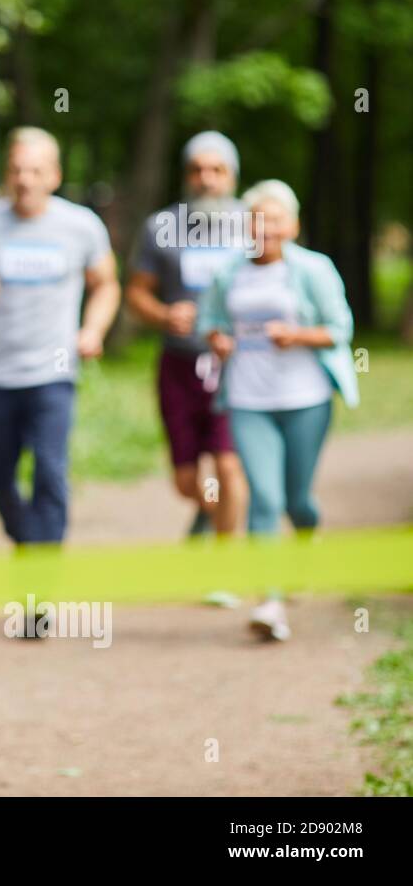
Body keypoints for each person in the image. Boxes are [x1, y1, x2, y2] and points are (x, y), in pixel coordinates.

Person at [197, 179, 359, 641]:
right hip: (248, 400)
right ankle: (269, 601)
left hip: (306, 399)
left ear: (293, 225)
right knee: (264, 498)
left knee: (296, 500)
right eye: (257, 221)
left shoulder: (313, 269)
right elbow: (209, 321)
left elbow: (340, 328)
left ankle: (306, 537)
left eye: (274, 221)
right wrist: (218, 339)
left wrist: (297, 336)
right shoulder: (229, 273)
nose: (265, 229)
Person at [0, 127, 120, 548]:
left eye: (35, 170)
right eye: (17, 170)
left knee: (50, 469)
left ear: (55, 176)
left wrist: (93, 330)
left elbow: (107, 284)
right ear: (7, 173)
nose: (25, 179)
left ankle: (40, 582)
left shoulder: (80, 226)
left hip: (54, 372)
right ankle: (28, 539)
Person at [126, 131, 247, 538]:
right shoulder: (161, 226)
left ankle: (223, 563)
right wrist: (163, 314)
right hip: (178, 363)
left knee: (229, 465)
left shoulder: (254, 227)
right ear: (185, 176)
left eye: (217, 169)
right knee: (184, 480)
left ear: (232, 176)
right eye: (197, 170)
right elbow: (136, 292)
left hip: (236, 366)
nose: (207, 179)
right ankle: (212, 512)